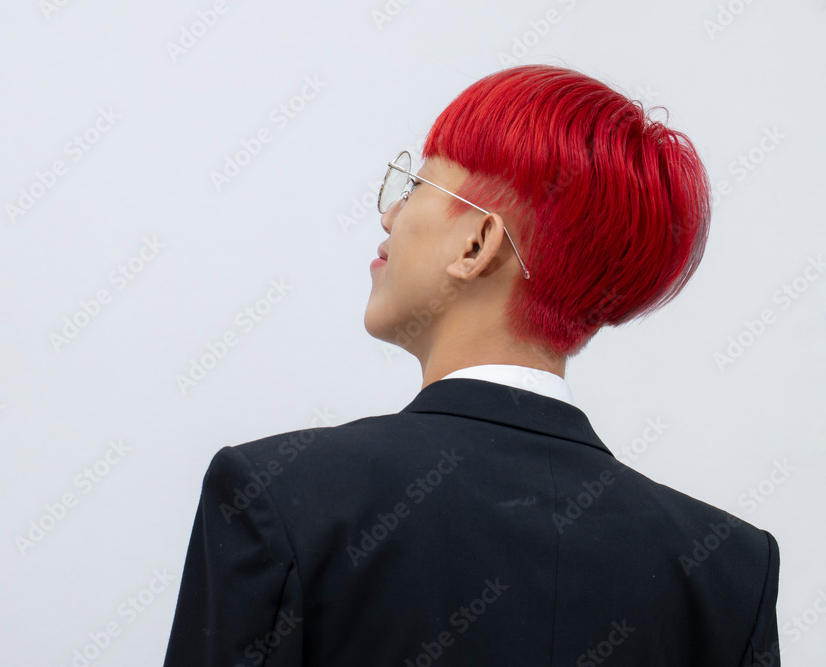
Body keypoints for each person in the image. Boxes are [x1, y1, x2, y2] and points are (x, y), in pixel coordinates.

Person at [162, 64, 781, 666]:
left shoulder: (278, 496)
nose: (388, 216)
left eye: (416, 187)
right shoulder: (729, 570)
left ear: (477, 243)